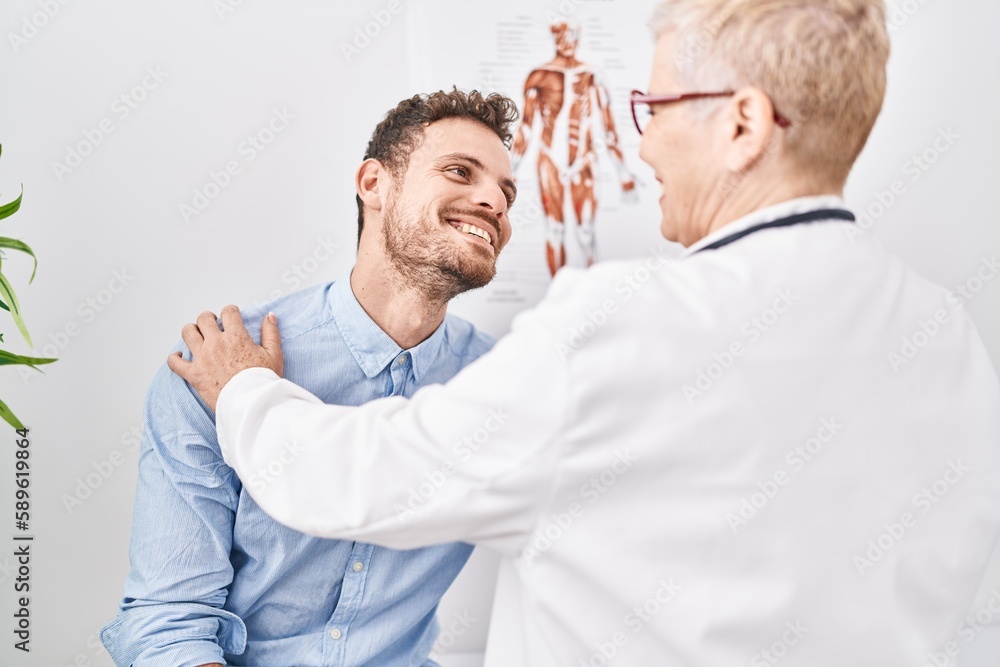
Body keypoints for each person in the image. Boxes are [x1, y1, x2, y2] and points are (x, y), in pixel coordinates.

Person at [170, 1, 1000, 665]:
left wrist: (242, 384)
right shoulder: (952, 337)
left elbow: (355, 478)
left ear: (742, 124)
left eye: (658, 106)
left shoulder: (616, 327)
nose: (643, 143)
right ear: (371, 185)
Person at [100, 88, 519, 667]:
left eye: (506, 192)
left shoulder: (504, 388)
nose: (493, 202)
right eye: (459, 171)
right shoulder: (218, 362)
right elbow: (169, 624)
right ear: (374, 183)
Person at [511, 19, 637, 276]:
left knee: (586, 231)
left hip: (584, 160)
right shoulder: (539, 76)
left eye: (573, 36)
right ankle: (557, 301)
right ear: (555, 38)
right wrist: (510, 169)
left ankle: (593, 296)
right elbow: (526, 126)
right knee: (555, 230)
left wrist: (623, 171)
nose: (569, 42)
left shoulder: (592, 75)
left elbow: (608, 124)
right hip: (550, 161)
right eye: (563, 36)